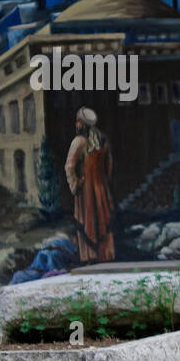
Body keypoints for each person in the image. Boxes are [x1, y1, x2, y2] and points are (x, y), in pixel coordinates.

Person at [64, 106, 115, 263]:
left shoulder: (79, 142)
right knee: (102, 220)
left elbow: (69, 166)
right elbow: (109, 166)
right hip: (101, 189)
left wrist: (75, 184)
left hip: (86, 190)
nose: (76, 124)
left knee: (88, 220)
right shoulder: (103, 140)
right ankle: (105, 255)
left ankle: (90, 256)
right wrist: (104, 181)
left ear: (83, 124)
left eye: (78, 121)